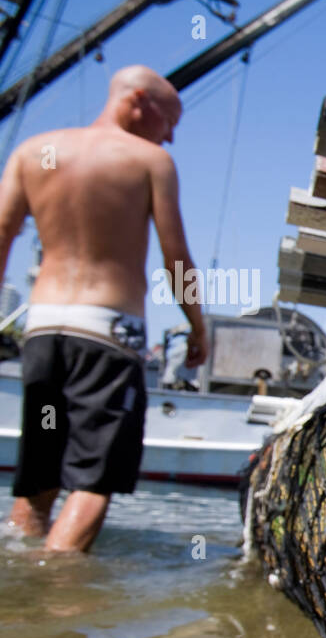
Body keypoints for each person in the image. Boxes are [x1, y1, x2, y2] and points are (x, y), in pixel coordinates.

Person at [0, 65, 208, 552]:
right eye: (170, 119)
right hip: (108, 337)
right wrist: (197, 326)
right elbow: (175, 256)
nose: (172, 136)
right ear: (138, 100)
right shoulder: (149, 161)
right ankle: (57, 598)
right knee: (94, 480)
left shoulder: (34, 152)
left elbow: (3, 235)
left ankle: (16, 600)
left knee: (39, 472)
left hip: (43, 332)